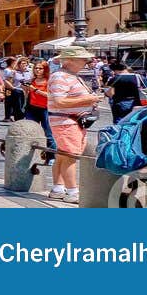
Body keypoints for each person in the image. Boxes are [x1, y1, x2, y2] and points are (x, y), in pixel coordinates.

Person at [46, 46, 100, 204]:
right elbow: (59, 101)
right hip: (66, 120)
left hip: (70, 120)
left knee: (63, 155)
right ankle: (72, 192)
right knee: (71, 156)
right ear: (69, 60)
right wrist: (89, 100)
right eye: (82, 59)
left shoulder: (71, 75)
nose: (86, 61)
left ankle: (58, 188)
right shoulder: (60, 77)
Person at [26, 58, 55, 150]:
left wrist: (35, 90)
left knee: (48, 134)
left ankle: (52, 156)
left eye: (40, 68)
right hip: (32, 108)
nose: (37, 70)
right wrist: (25, 88)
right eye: (36, 68)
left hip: (45, 109)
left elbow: (50, 96)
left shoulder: (49, 81)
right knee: (32, 132)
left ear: (45, 69)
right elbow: (27, 94)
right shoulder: (32, 80)